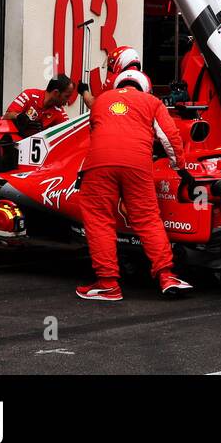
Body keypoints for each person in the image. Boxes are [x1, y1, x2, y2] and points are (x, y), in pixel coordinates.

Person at [76, 70, 191, 301]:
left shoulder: (101, 102)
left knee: (99, 219)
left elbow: (95, 133)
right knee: (148, 218)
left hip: (99, 163)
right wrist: (180, 167)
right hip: (137, 163)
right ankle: (166, 276)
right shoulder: (151, 101)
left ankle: (108, 284)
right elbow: (170, 137)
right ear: (144, 87)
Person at [3, 74, 75, 135]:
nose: (68, 101)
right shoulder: (29, 95)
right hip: (8, 141)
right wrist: (19, 117)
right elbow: (6, 116)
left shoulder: (59, 111)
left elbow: (69, 132)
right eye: (67, 96)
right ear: (56, 93)